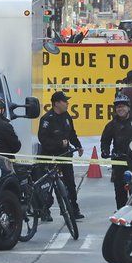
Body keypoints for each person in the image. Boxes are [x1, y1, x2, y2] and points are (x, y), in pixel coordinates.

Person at [38, 91, 85, 219]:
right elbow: (43, 139)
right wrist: (59, 143)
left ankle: (74, 209)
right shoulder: (47, 119)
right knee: (47, 185)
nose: (67, 103)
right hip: (50, 155)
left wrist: (78, 146)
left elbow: (72, 134)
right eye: (65, 101)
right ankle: (44, 210)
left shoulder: (66, 116)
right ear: (57, 103)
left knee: (70, 182)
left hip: (64, 155)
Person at [100, 93, 132, 208]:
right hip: (118, 162)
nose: (120, 109)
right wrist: (104, 151)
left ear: (128, 107)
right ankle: (121, 214)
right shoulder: (112, 125)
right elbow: (105, 140)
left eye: (122, 106)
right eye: (118, 107)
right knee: (120, 192)